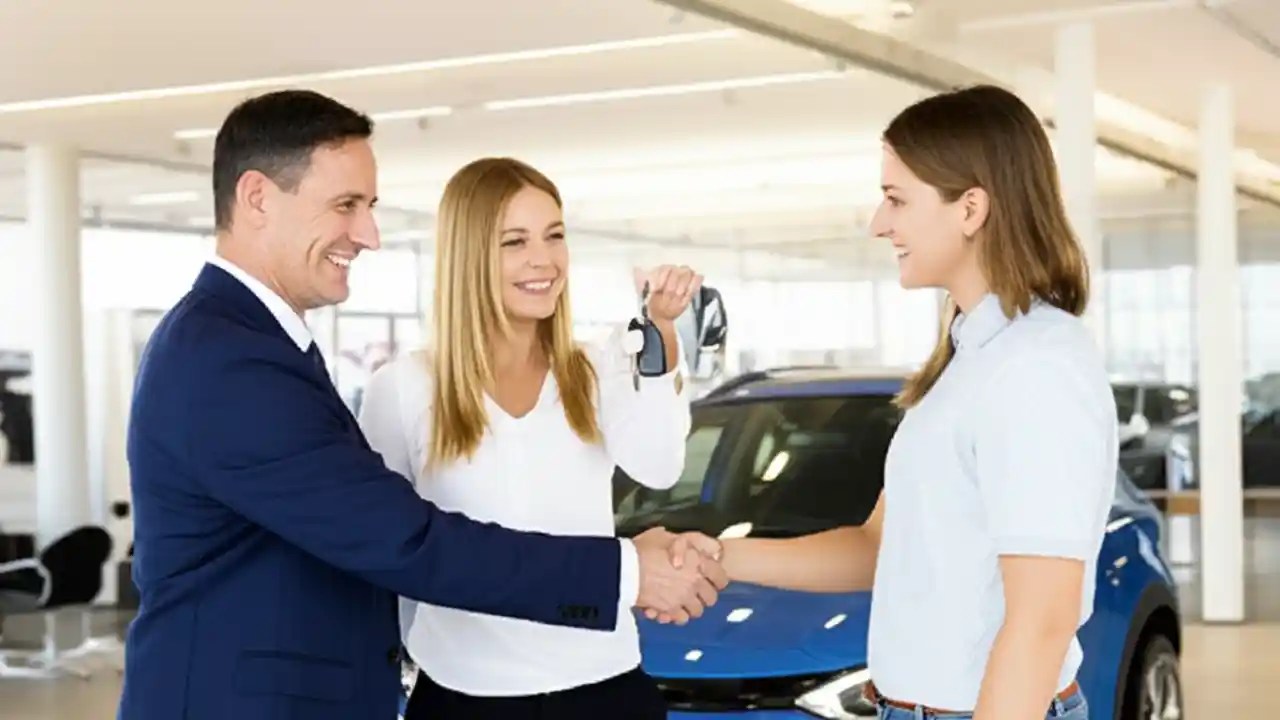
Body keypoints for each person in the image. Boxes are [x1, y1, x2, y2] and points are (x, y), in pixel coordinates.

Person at [119, 90, 724, 720]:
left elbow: (374, 541)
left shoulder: (255, 344)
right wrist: (627, 573)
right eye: (346, 205)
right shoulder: (233, 360)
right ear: (257, 198)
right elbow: (403, 542)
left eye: (370, 207)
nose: (370, 235)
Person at [666, 85, 1116, 720]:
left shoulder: (1037, 364)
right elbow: (877, 546)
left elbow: (1043, 617)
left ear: (970, 208)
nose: (880, 223)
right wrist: (719, 553)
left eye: (896, 199)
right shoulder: (969, 362)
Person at [357, 157, 702, 720]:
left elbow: (660, 467)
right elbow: (388, 555)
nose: (543, 260)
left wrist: (661, 336)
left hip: (603, 687)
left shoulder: (595, 367)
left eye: (555, 236)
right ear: (469, 257)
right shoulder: (403, 388)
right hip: (462, 693)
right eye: (514, 241)